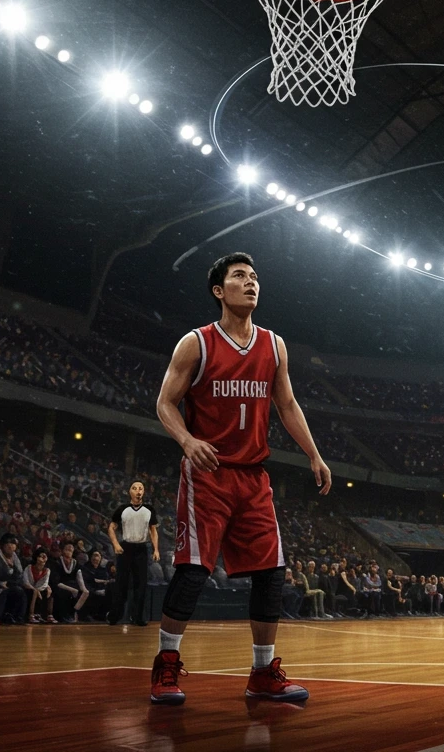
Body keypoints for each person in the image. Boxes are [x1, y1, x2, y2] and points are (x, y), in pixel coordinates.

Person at [150, 252, 332, 705]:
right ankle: (166, 665)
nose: (251, 283)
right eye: (239, 277)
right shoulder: (196, 343)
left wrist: (314, 454)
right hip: (208, 474)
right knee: (193, 571)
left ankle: (262, 672)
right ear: (219, 290)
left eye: (254, 277)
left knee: (272, 574)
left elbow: (287, 405)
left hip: (253, 477)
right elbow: (164, 403)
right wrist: (188, 441)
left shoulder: (274, 345)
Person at [108, 480, 160, 626]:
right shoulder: (122, 509)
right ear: (129, 492)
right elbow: (111, 527)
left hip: (141, 548)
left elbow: (153, 531)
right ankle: (114, 615)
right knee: (121, 583)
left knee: (141, 584)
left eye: (141, 488)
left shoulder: (149, 510)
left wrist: (156, 549)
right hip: (125, 548)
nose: (138, 491)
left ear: (144, 492)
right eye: (135, 488)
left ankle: (138, 617)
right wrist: (116, 544)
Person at [50, 541, 89, 623]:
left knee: (85, 592)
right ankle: (63, 616)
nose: (69, 551)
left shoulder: (75, 563)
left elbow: (79, 576)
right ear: (62, 551)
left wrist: (84, 590)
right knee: (65, 592)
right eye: (67, 549)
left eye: (71, 550)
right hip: (59, 586)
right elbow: (56, 581)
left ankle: (74, 612)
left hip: (72, 586)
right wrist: (72, 590)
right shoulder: (57, 562)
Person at [22, 548, 53, 624]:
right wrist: (35, 590)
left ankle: (46, 615)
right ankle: (31, 615)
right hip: (28, 588)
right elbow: (25, 582)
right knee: (33, 592)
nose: (42, 558)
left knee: (47, 591)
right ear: (36, 557)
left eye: (44, 556)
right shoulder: (29, 568)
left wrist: (37, 590)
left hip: (39, 589)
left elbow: (44, 584)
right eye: (40, 556)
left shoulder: (47, 570)